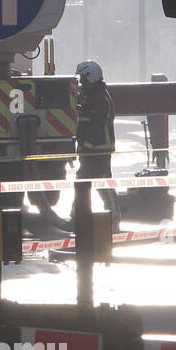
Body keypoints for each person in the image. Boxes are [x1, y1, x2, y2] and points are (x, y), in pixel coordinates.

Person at [73, 60, 121, 229]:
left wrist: (85, 144)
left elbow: (95, 126)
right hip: (89, 149)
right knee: (81, 180)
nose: (81, 83)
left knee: (102, 182)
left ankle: (114, 215)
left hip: (98, 149)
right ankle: (78, 214)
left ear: (90, 77)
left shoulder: (100, 99)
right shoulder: (92, 97)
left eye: (83, 80)